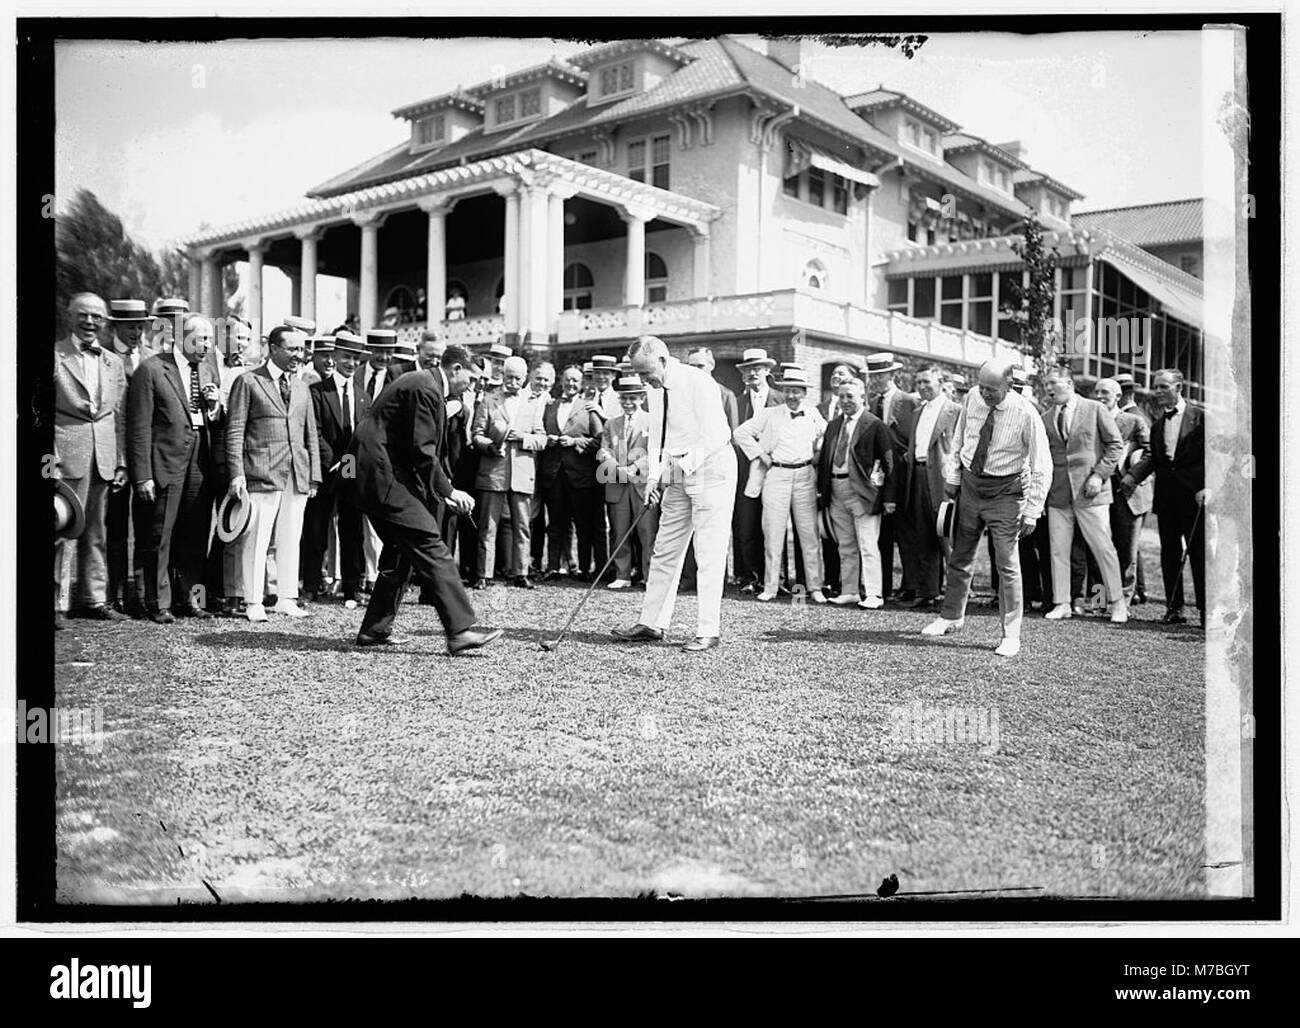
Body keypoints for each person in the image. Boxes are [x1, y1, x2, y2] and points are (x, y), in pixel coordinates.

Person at [341, 344, 502, 654]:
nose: (473, 385)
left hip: (376, 477)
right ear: (455, 369)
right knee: (430, 543)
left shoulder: (425, 385)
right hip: (381, 478)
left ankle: (375, 630)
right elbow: (423, 451)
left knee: (401, 553)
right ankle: (460, 631)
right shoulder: (426, 388)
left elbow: (416, 448)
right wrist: (449, 491)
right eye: (471, 378)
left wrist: (441, 491)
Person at [613, 335, 737, 652]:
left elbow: (713, 437)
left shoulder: (700, 383)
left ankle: (708, 630)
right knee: (665, 548)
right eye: (638, 374)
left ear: (664, 361)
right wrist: (654, 477)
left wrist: (674, 473)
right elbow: (659, 435)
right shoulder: (655, 390)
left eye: (646, 373)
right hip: (676, 471)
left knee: (709, 552)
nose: (643, 380)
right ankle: (652, 623)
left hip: (712, 469)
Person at [921, 358, 1051, 658]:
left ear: (1010, 385)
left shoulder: (1026, 413)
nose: (985, 394)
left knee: (1007, 563)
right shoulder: (972, 397)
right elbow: (961, 437)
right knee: (961, 553)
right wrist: (953, 477)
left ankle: (1011, 634)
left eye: (992, 389)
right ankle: (951, 616)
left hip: (1007, 492)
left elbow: (1041, 465)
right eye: (982, 387)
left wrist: (1032, 510)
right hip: (970, 485)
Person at [126, 312, 222, 623]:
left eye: (210, 339)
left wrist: (213, 407)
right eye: (200, 338)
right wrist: (142, 476)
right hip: (164, 463)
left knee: (195, 533)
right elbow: (138, 427)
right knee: (159, 536)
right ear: (180, 338)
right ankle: (158, 603)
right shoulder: (152, 370)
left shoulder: (208, 369)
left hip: (199, 461)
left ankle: (190, 599)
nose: (207, 344)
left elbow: (214, 420)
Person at [225, 327, 322, 622]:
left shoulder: (302, 387)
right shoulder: (249, 381)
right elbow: (235, 431)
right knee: (257, 538)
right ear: (273, 348)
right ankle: (253, 601)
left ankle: (286, 597)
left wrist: (313, 475)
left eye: (302, 349)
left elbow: (311, 435)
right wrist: (236, 473)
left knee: (291, 537)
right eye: (292, 349)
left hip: (297, 472)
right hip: (260, 471)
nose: (299, 355)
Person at [53, 293, 131, 627]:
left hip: (103, 457)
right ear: (69, 316)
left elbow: (119, 414)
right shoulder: (55, 355)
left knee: (96, 531)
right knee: (60, 530)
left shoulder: (114, 361)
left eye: (96, 317)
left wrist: (122, 461)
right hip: (65, 455)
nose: (89, 322)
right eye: (83, 315)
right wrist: (49, 459)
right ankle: (56, 603)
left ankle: (93, 599)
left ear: (105, 322)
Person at [1039, 367, 1128, 624]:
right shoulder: (1046, 417)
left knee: (1103, 549)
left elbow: (1115, 445)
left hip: (1091, 492)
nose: (1049, 388)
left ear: (1069, 383)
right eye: (1046, 384)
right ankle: (1062, 603)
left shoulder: (1094, 409)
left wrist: (1099, 475)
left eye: (1053, 383)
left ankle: (1117, 604)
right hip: (1058, 494)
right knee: (1058, 550)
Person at [734, 365, 828, 603]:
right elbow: (741, 433)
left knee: (808, 534)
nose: (792, 396)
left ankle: (815, 587)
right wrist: (760, 455)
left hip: (805, 477)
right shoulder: (770, 414)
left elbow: (827, 438)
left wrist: (817, 455)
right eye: (788, 391)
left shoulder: (814, 414)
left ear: (804, 393)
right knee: (773, 534)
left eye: (797, 391)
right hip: (776, 476)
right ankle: (770, 587)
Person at [1120, 368, 1205, 626]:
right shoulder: (1157, 425)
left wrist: (1208, 487)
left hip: (1195, 498)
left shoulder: (1201, 418)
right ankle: (1174, 609)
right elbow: (1155, 460)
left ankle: (1206, 611)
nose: (1157, 392)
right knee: (1169, 554)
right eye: (1155, 387)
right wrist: (1132, 476)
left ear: (1179, 387)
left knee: (1199, 555)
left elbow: (1218, 458)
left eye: (1163, 387)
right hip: (1166, 499)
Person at [817, 377, 896, 608]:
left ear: (862, 396)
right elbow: (825, 460)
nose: (845, 401)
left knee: (868, 543)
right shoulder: (833, 425)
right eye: (841, 396)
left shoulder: (874, 424)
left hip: (862, 493)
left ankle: (874, 594)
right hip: (836, 491)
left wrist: (889, 498)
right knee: (846, 545)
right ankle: (850, 590)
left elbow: (889, 463)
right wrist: (822, 493)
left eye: (850, 396)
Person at [302, 336, 369, 604]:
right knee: (316, 528)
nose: (350, 363)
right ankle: (310, 586)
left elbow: (364, 435)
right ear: (335, 356)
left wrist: (349, 463)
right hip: (325, 469)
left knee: (352, 529)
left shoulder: (363, 397)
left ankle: (353, 587)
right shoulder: (318, 392)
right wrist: (334, 462)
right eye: (345, 357)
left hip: (351, 470)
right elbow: (314, 432)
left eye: (355, 359)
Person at [471, 355, 548, 589]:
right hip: (494, 471)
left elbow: (542, 439)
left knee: (523, 526)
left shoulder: (532, 405)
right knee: (488, 526)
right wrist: (489, 446)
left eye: (518, 378)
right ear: (503, 376)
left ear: (525, 379)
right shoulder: (488, 400)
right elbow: (476, 434)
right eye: (509, 377)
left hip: (523, 473)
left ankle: (521, 572)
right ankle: (484, 574)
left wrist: (524, 438)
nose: (513, 382)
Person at [104, 298, 152, 615]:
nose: (135, 332)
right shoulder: (105, 358)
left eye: (139, 326)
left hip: (147, 453)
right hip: (115, 453)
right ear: (115, 327)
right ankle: (115, 592)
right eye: (129, 326)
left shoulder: (150, 359)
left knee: (147, 526)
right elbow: (115, 416)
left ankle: (142, 592)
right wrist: (120, 460)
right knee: (116, 527)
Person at [900, 365, 961, 610]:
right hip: (919, 476)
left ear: (940, 381)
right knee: (922, 534)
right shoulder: (918, 412)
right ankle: (928, 591)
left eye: (927, 381)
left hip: (943, 479)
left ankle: (955, 594)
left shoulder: (955, 411)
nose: (923, 386)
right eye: (919, 383)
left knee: (947, 535)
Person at [204, 315, 254, 616]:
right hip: (200, 453)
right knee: (198, 526)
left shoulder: (249, 370)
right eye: (238, 337)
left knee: (230, 523)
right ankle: (198, 588)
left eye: (247, 339)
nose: (243, 344)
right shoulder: (207, 363)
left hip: (231, 456)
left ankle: (222, 590)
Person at [540, 365, 605, 581]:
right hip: (554, 475)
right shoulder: (550, 406)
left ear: (582, 384)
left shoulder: (588, 408)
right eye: (567, 380)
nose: (570, 384)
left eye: (575, 381)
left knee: (583, 524)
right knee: (556, 523)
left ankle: (584, 568)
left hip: (581, 475)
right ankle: (553, 567)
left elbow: (600, 440)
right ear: (561, 381)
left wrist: (575, 441)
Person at [865, 351, 919, 603]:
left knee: (906, 530)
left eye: (881, 375)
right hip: (880, 474)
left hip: (903, 473)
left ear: (892, 374)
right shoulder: (873, 402)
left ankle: (911, 585)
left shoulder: (908, 401)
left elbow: (915, 437)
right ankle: (883, 586)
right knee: (882, 532)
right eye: (873, 375)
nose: (877, 380)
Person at [597, 371, 659, 589]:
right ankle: (622, 575)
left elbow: (654, 451)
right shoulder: (611, 424)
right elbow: (604, 451)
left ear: (642, 398)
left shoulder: (652, 421)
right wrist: (618, 469)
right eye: (624, 398)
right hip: (618, 484)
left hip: (643, 485)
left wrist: (634, 467)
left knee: (647, 532)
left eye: (633, 398)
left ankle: (650, 576)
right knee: (619, 531)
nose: (628, 402)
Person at [1094, 376, 1153, 602]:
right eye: (1096, 392)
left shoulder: (1134, 421)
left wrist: (1132, 476)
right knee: (1098, 547)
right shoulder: (1091, 419)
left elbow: (1150, 453)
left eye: (1105, 393)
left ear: (1118, 396)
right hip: (1098, 492)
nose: (1099, 397)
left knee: (1127, 551)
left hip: (1128, 492)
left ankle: (1124, 601)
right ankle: (1098, 601)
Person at [732, 347, 782, 593]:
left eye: (757, 368)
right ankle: (749, 576)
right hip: (745, 471)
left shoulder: (781, 399)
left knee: (775, 523)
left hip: (778, 469)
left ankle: (776, 577)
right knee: (746, 522)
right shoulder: (737, 402)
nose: (752, 373)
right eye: (747, 369)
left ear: (767, 371)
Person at [526, 361, 557, 575]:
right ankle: (520, 561)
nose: (542, 383)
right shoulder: (521, 397)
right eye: (539, 378)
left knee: (541, 516)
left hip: (547, 466)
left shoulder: (552, 402)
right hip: (525, 461)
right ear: (531, 377)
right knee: (525, 514)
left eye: (547, 380)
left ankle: (535, 560)